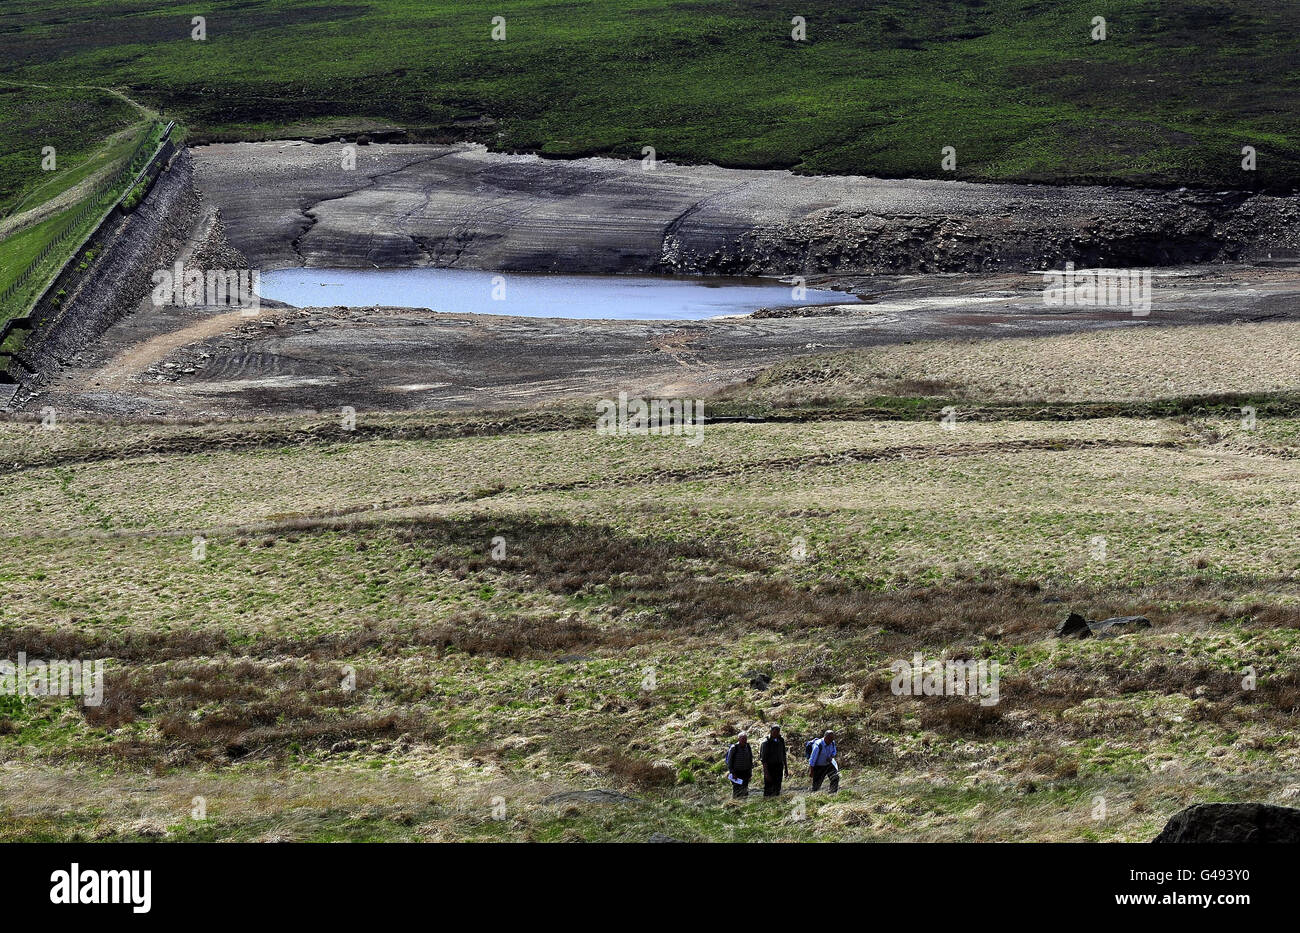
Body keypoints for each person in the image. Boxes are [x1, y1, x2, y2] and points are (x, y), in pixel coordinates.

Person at [759, 724, 789, 796]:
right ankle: (767, 803)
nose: (776, 733)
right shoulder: (766, 742)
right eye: (774, 731)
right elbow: (763, 760)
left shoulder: (781, 740)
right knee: (769, 786)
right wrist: (766, 773)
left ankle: (776, 801)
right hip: (769, 767)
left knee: (778, 785)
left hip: (779, 766)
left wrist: (786, 768)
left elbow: (783, 754)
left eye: (778, 731)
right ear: (771, 731)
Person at [725, 731, 753, 798]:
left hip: (746, 772)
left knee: (745, 788)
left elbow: (750, 759)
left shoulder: (748, 747)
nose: (744, 740)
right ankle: (735, 803)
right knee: (737, 789)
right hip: (736, 773)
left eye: (745, 739)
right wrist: (732, 773)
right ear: (739, 739)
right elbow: (729, 761)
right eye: (742, 739)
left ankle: (744, 804)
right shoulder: (734, 748)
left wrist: (750, 771)